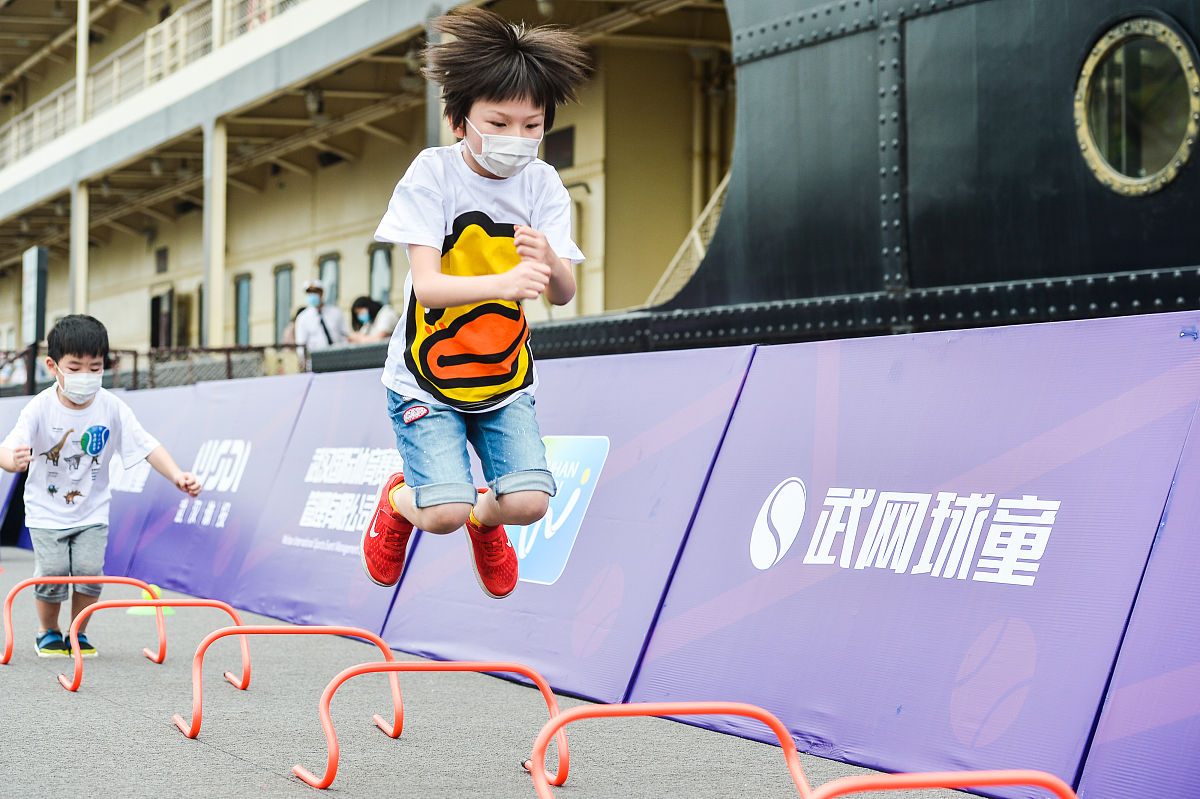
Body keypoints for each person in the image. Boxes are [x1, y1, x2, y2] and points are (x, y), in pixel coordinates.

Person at [361, 7, 589, 599]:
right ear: (458, 120)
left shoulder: (543, 184)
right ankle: (398, 500)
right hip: (424, 379)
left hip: (503, 378)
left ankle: (486, 526)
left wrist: (550, 259)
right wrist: (505, 282)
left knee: (530, 502)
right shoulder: (431, 175)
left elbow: (563, 293)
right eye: (499, 122)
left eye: (532, 125)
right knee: (441, 513)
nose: (518, 138)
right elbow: (428, 287)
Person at [0, 315, 201, 658]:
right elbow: (7, 448)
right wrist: (11, 461)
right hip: (46, 510)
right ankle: (48, 631)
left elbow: (147, 445)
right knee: (52, 573)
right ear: (52, 366)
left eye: (94, 368)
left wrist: (177, 475)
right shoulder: (40, 407)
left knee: (90, 573)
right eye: (74, 367)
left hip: (92, 511)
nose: (86, 376)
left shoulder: (111, 406)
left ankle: (77, 632)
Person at [292, 279, 350, 356]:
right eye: (309, 293)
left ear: (321, 293)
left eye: (315, 292)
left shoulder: (336, 313)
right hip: (315, 359)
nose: (312, 295)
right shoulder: (302, 318)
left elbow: (346, 336)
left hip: (337, 356)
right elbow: (301, 344)